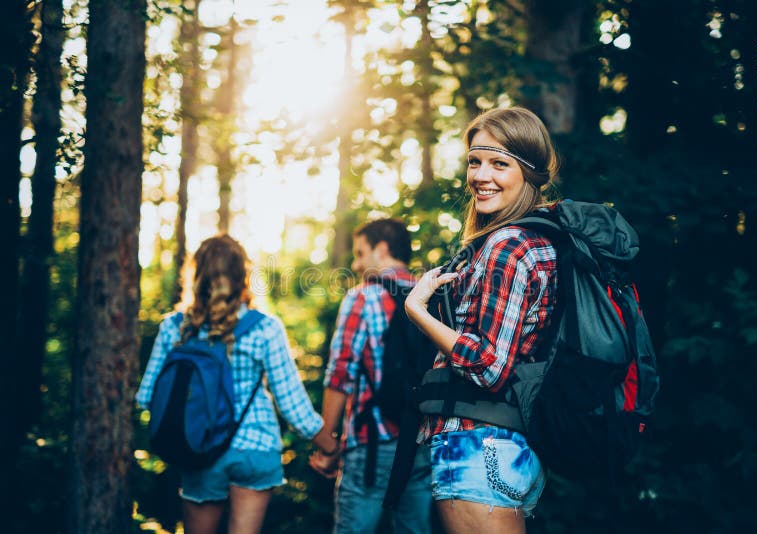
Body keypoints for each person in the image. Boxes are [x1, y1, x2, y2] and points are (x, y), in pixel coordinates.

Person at [404, 106, 559, 533]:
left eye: (499, 163)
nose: (480, 175)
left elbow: (488, 365)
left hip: (477, 448)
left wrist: (416, 310)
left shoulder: (508, 246)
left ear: (527, 172)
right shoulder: (541, 238)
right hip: (509, 448)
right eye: (475, 161)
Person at [136, 234, 338, 534]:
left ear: (197, 275)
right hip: (255, 449)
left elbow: (147, 396)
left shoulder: (174, 327)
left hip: (199, 447)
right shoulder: (265, 328)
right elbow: (293, 408)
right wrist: (332, 448)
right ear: (243, 276)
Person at [309, 218, 433, 534]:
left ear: (381, 250)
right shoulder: (431, 295)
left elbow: (340, 373)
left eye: (361, 253)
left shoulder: (363, 297)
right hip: (422, 440)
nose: (356, 263)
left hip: (372, 442)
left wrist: (328, 444)